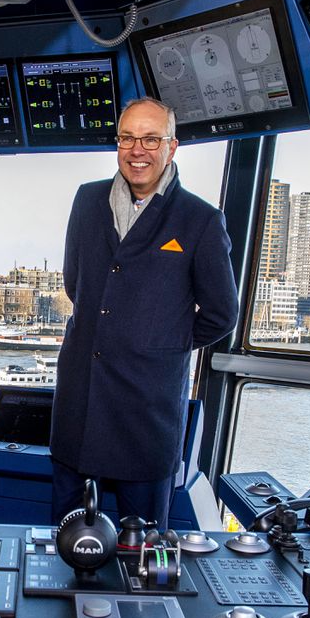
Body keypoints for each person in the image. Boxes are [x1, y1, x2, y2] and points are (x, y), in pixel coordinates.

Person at [49, 97, 238, 529]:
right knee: (63, 542)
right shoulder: (87, 200)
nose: (138, 150)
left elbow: (221, 314)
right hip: (80, 403)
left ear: (171, 147)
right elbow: (75, 282)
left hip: (146, 414)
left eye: (151, 139)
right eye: (128, 138)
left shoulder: (201, 220)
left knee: (142, 556)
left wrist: (158, 340)